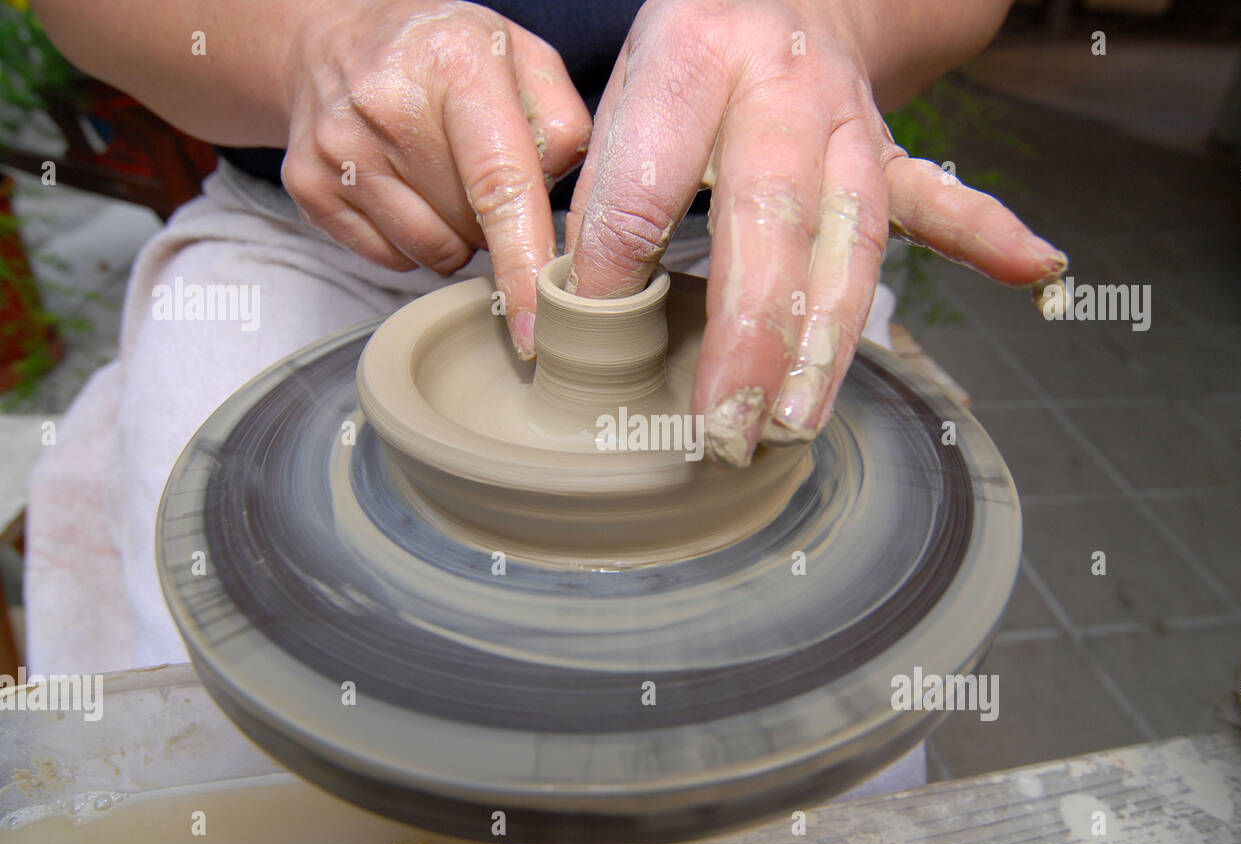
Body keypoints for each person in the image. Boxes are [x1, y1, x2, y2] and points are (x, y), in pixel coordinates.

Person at [24, 0, 1065, 679]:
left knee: (838, 678)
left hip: (741, 225)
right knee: (223, 660)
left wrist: (829, 21)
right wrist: (312, 42)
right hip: (323, 219)